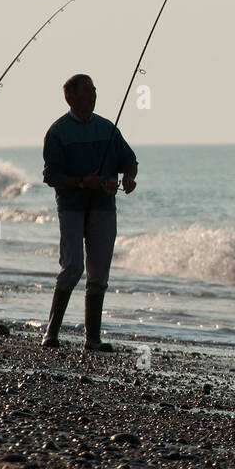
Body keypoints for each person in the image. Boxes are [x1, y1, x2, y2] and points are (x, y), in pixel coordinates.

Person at [40, 74, 137, 351]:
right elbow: (51, 176)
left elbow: (129, 161)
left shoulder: (107, 128)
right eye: (87, 92)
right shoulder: (58, 132)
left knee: (99, 273)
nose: (93, 96)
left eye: (94, 91)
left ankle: (92, 339)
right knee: (72, 267)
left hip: (104, 208)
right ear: (70, 97)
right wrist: (83, 182)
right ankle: (51, 333)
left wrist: (129, 178)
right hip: (71, 207)